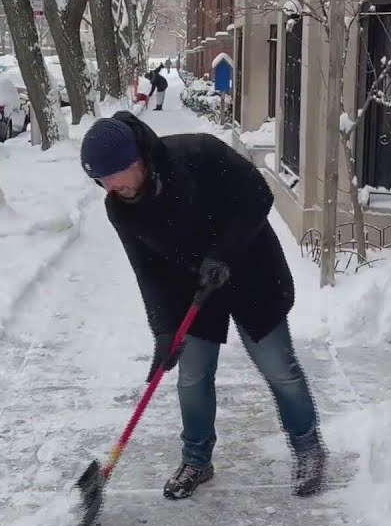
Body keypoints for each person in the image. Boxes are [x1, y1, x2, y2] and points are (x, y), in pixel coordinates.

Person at [80, 111, 327, 500]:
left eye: (114, 175)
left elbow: (259, 196)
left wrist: (224, 255)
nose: (110, 186)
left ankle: (309, 448)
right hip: (194, 291)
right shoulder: (120, 207)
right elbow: (148, 270)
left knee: (280, 369)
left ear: (138, 159)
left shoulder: (198, 154)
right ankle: (197, 460)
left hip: (251, 272)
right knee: (192, 379)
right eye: (101, 180)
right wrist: (163, 329)